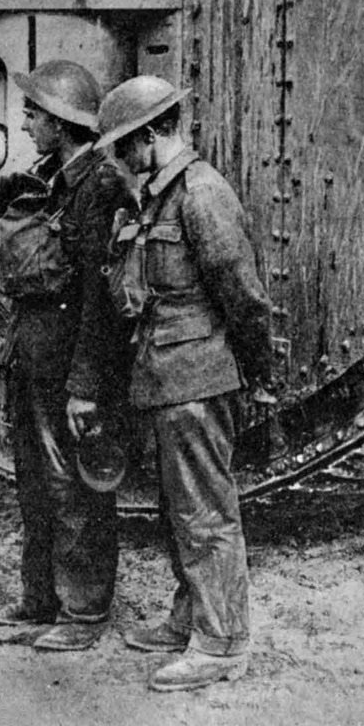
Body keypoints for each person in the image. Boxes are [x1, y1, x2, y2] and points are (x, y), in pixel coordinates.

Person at [0, 60, 136, 651]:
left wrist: (85, 384)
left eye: (34, 113)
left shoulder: (100, 186)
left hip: (69, 352)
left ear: (60, 121)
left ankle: (83, 612)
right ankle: (41, 598)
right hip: (31, 344)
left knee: (73, 484)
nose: (27, 121)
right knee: (35, 479)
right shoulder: (50, 175)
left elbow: (98, 295)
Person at [94, 75, 273, 691]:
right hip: (164, 382)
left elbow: (245, 299)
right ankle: (190, 616)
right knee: (179, 511)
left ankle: (222, 644)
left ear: (150, 136)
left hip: (197, 382)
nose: (119, 161)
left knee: (206, 514)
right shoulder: (155, 198)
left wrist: (258, 379)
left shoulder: (201, 194)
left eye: (122, 147)